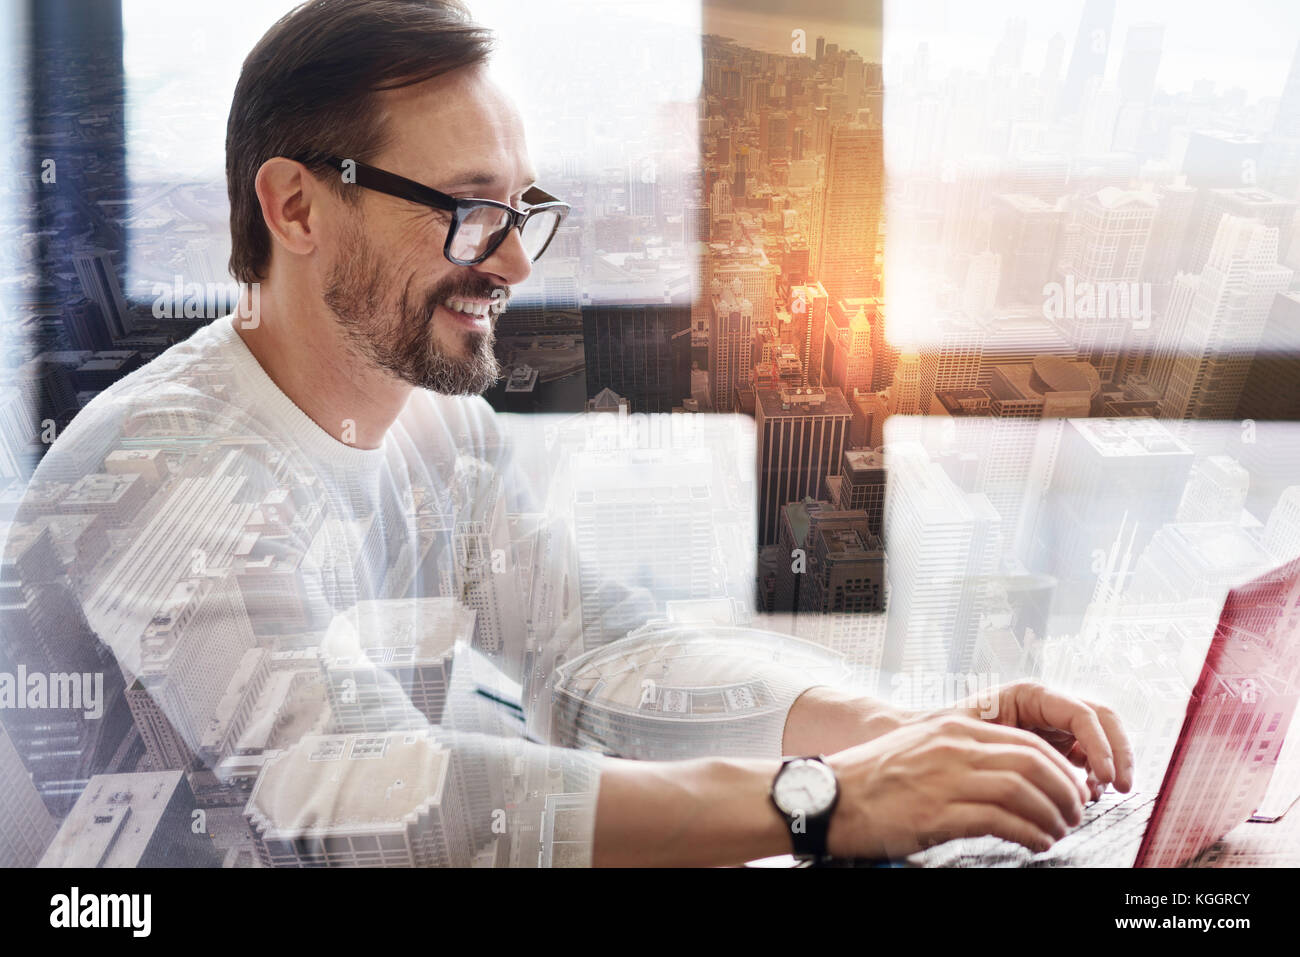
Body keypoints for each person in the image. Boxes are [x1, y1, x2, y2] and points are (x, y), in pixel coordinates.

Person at [7, 0, 1133, 868]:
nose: (512, 263)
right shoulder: (160, 472)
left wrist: (908, 733)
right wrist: (826, 800)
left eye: (519, 208)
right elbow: (363, 802)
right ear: (296, 207)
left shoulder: (434, 426)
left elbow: (599, 653)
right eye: (465, 211)